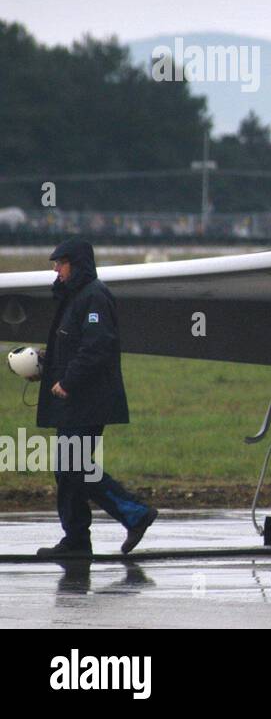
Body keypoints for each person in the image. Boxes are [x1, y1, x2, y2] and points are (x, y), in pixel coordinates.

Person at [33, 238, 157, 558]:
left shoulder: (94, 296)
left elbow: (97, 347)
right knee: (68, 469)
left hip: (87, 402)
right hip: (74, 402)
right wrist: (45, 364)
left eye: (61, 263)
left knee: (74, 468)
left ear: (77, 264)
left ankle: (134, 514)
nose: (56, 270)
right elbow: (74, 345)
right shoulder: (75, 297)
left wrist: (69, 382)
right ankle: (77, 540)